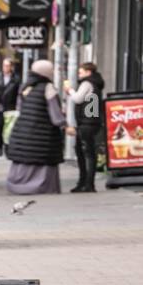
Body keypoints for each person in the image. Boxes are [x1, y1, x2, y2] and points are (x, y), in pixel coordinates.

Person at [6, 59, 67, 195]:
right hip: (43, 133)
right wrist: (64, 125)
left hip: (23, 129)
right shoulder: (48, 87)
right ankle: (41, 187)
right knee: (42, 159)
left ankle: (17, 186)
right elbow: (55, 114)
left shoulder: (25, 86)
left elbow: (20, 108)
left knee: (24, 157)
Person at [65, 61, 106, 193]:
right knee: (88, 152)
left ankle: (86, 183)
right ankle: (86, 183)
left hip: (86, 122)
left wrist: (69, 90)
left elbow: (78, 98)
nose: (79, 74)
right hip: (93, 121)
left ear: (88, 72)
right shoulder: (96, 84)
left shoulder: (87, 83)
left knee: (85, 153)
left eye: (81, 72)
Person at [0, 57, 21, 156]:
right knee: (0, 127)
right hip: (0, 106)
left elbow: (18, 93)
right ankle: (0, 146)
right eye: (4, 65)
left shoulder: (16, 79)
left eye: (7, 66)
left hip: (11, 107)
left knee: (9, 128)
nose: (5, 68)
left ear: (11, 67)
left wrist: (18, 106)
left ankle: (7, 147)